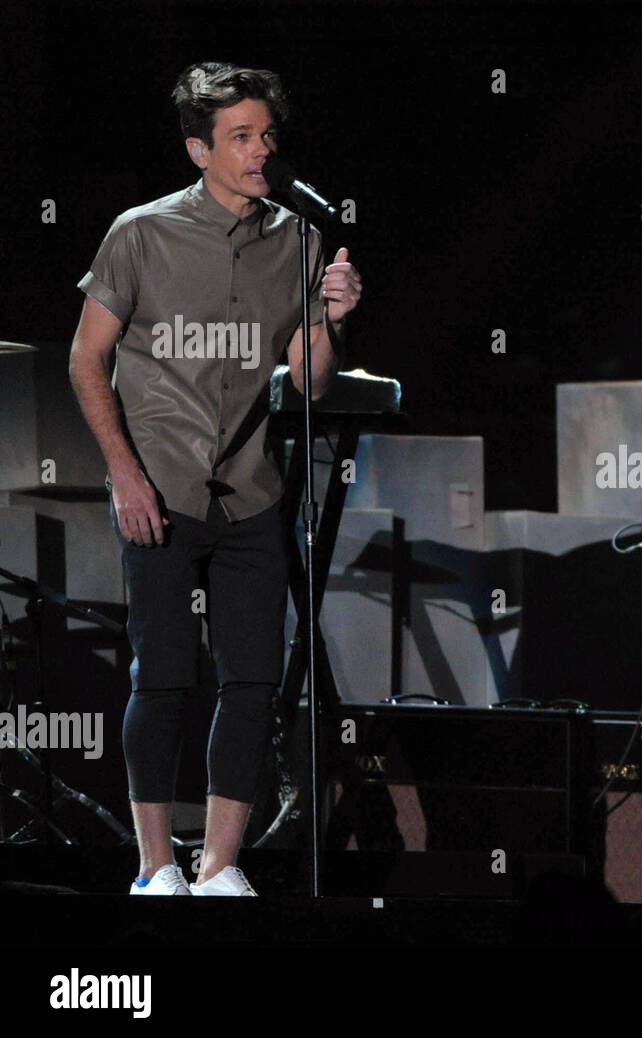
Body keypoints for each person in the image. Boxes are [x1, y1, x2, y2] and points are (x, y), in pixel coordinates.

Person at [68, 62, 361, 896]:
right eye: (241, 137)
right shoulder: (141, 234)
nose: (261, 150)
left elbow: (310, 382)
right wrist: (123, 476)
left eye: (267, 134)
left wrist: (334, 321)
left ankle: (222, 865)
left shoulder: (297, 240)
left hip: (252, 487)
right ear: (200, 149)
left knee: (253, 679)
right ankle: (155, 866)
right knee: (160, 673)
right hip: (157, 484)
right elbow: (87, 361)